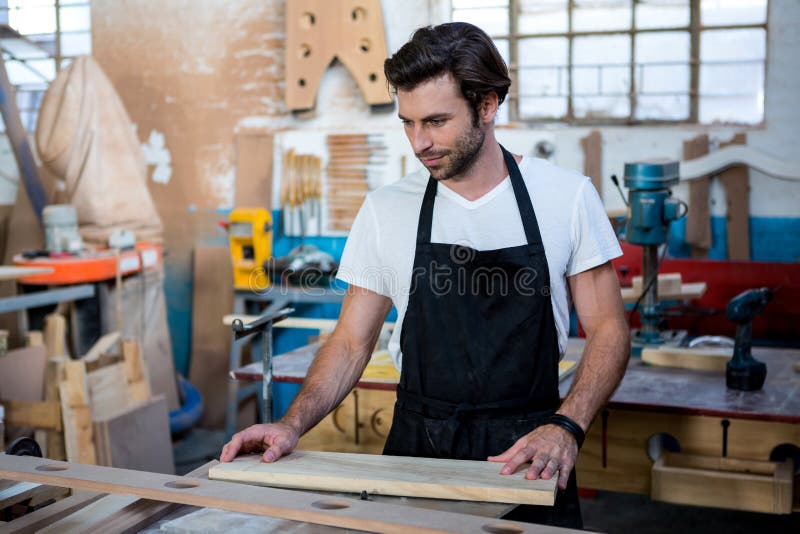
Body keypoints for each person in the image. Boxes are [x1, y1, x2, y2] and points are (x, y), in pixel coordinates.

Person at [220, 22, 629, 528]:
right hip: (417, 445)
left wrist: (567, 425)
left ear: (488, 105)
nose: (420, 142)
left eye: (436, 121)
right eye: (408, 122)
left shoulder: (565, 197)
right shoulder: (386, 209)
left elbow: (610, 330)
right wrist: (291, 424)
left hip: (528, 449)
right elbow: (350, 343)